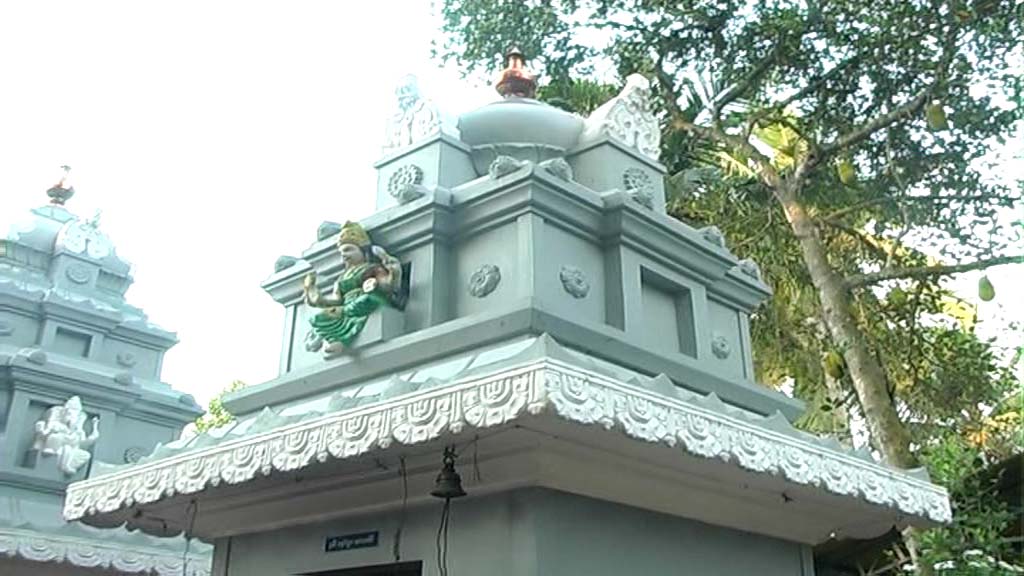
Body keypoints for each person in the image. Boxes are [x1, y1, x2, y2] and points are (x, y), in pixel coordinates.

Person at [303, 221, 403, 356]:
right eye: (341, 252)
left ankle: (343, 338)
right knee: (318, 317)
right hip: (347, 306)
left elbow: (386, 284)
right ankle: (335, 340)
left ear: (362, 250)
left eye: (348, 249)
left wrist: (392, 271)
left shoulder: (372, 268)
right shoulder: (342, 278)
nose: (344, 254)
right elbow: (336, 299)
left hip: (366, 299)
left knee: (366, 300)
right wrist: (317, 298)